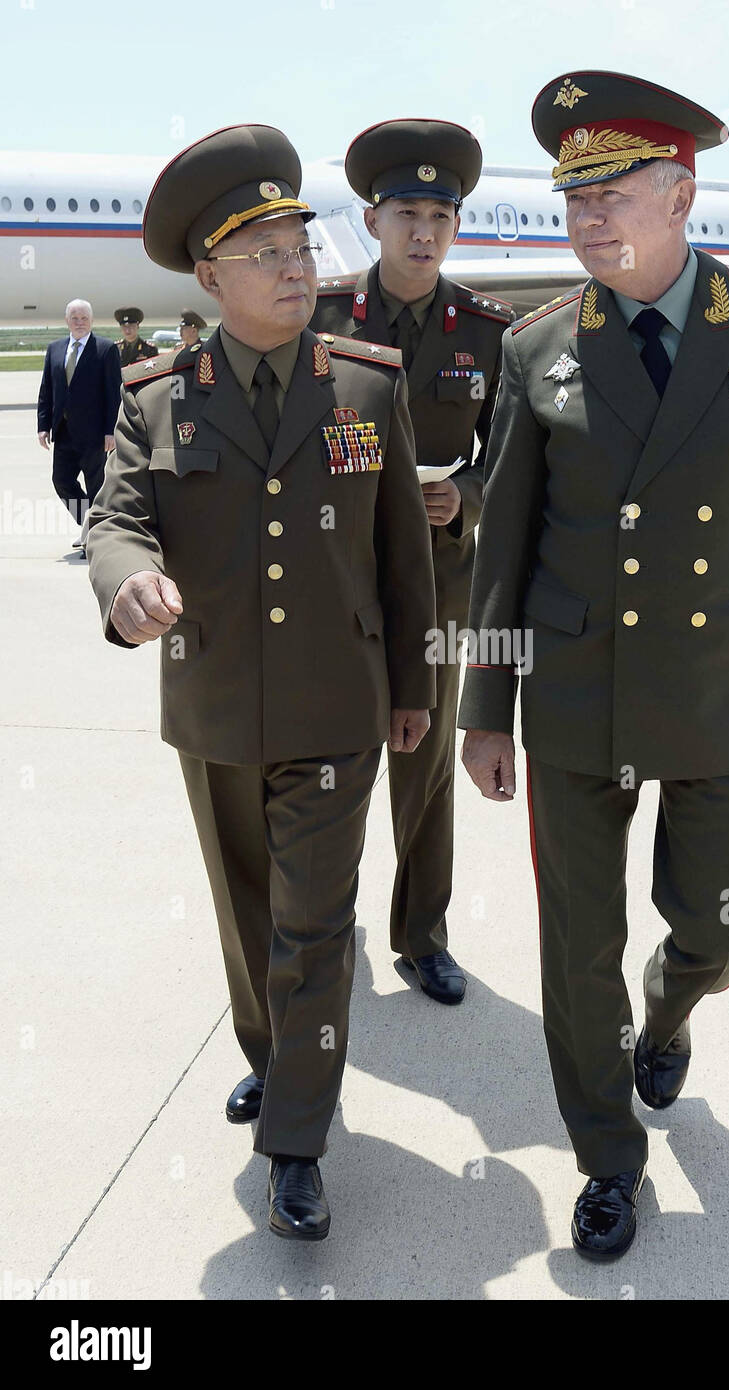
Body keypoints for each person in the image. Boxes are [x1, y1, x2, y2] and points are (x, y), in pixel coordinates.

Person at [459, 70, 729, 1261]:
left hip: (720, 686)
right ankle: (605, 1159)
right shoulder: (538, 348)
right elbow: (501, 540)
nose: (584, 221)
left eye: (611, 194)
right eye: (570, 199)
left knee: (725, 923)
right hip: (576, 693)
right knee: (571, 950)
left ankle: (672, 1004)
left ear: (679, 194)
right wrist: (485, 703)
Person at [85, 124, 436, 1242]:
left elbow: (404, 563)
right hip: (216, 706)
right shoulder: (156, 398)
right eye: (267, 253)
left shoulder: (368, 388)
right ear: (208, 279)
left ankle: (295, 1137)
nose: (299, 267)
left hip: (339, 706)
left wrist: (416, 686)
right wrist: (129, 582)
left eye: (300, 244)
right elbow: (118, 520)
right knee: (248, 920)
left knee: (313, 925)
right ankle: (274, 1054)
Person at [310, 119, 513, 1006]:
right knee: (332, 760)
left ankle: (422, 934)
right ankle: (321, 923)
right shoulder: (318, 318)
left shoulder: (487, 330)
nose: (422, 230)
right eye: (405, 212)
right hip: (340, 582)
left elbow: (510, 459)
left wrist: (463, 496)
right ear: (371, 220)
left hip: (437, 582)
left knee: (424, 764)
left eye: (439, 213)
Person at [37, 299, 121, 555]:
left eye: (84, 317)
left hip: (95, 434)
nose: (80, 322)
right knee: (61, 481)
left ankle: (94, 538)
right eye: (75, 317)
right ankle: (90, 525)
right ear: (67, 321)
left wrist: (111, 430)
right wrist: (43, 425)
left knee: (96, 487)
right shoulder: (55, 348)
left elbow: (113, 393)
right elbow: (47, 389)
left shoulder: (105, 349)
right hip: (63, 432)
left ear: (92, 320)